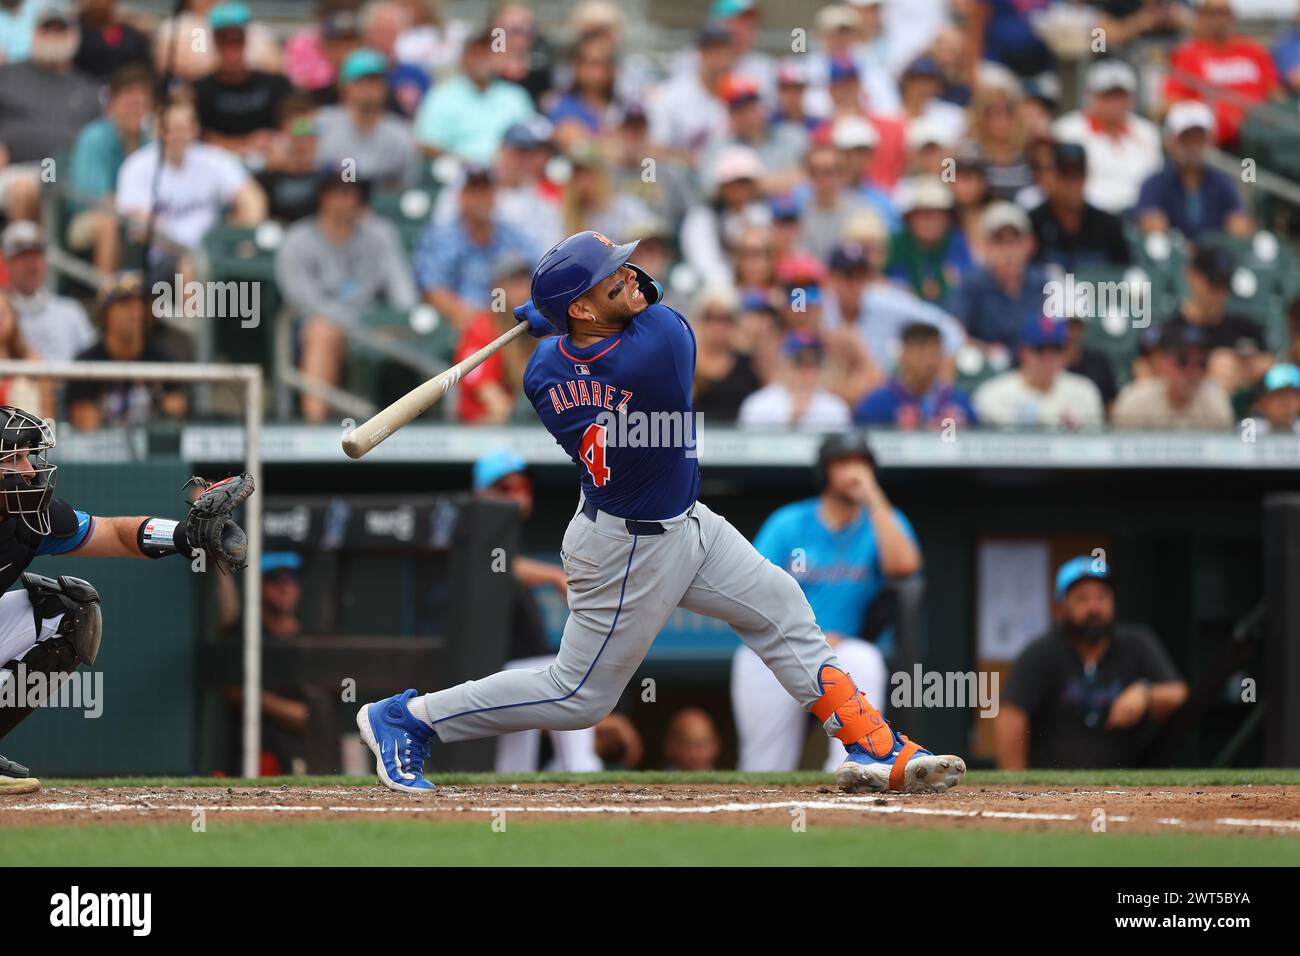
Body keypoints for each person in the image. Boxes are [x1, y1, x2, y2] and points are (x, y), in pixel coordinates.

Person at [355, 230, 966, 795]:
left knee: (780, 606)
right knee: (578, 697)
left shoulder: (543, 370)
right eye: (608, 275)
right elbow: (653, 294)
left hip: (679, 522)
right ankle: (407, 718)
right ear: (585, 311)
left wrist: (559, 311)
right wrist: (557, 309)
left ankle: (872, 747)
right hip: (628, 550)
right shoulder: (662, 349)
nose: (626, 273)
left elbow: (590, 331)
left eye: (618, 265)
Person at [0, 409, 252, 793]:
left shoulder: (31, 517)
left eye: (28, 455)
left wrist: (185, 535)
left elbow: (115, 533)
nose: (30, 470)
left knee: (69, 612)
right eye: (13, 459)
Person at [733, 431, 912, 772]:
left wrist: (874, 498)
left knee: (867, 659)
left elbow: (904, 566)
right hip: (777, 645)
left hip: (840, 650)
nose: (853, 472)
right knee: (764, 763)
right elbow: (748, 586)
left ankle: (856, 769)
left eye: (861, 463)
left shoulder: (881, 519)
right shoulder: (788, 522)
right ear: (825, 471)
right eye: (843, 463)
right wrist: (796, 632)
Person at [469, 450, 604, 774]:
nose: (516, 494)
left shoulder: (509, 536)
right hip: (499, 664)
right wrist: (554, 575)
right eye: (504, 487)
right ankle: (581, 774)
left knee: (513, 768)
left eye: (521, 486)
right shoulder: (473, 529)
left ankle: (517, 812)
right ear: (481, 494)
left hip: (516, 665)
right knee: (575, 679)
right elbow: (498, 565)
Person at [996, 556, 1188, 770]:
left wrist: (1145, 693)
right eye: (1082, 599)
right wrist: (1016, 782)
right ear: (1061, 607)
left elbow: (1178, 694)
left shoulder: (1137, 643)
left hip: (1125, 785)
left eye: (1102, 597)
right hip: (1053, 787)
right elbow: (1011, 714)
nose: (1094, 607)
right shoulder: (1042, 651)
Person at [276, 175, 417, 422]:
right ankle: (315, 425)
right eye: (338, 192)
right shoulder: (298, 239)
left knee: (420, 326)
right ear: (322, 196)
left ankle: (417, 425)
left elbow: (404, 295)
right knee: (322, 331)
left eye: (353, 193)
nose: (347, 201)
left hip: (374, 326)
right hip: (322, 328)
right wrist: (357, 325)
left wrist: (398, 320)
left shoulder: (380, 234)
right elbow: (303, 302)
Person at [115, 98, 267, 256]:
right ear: (156, 130)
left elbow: (252, 198)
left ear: (194, 129)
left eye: (182, 128)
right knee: (188, 266)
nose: (176, 135)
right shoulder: (137, 165)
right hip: (163, 254)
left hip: (214, 249)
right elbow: (138, 226)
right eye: (169, 129)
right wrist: (188, 252)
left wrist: (243, 239)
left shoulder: (215, 159)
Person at [0, 0, 102, 223]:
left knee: (41, 186)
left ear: (73, 35)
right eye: (48, 29)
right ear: (35, 33)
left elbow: (98, 139)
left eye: (60, 29)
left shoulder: (88, 89)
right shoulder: (7, 75)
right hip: (15, 169)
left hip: (68, 173)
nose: (53, 35)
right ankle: (26, 253)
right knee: (24, 188)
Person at [410, 165, 536, 331]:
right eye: (474, 191)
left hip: (506, 322)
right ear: (461, 196)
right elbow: (432, 289)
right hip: (456, 327)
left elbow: (532, 281)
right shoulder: (439, 237)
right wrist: (475, 320)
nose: (481, 198)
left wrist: (501, 316)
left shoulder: (513, 237)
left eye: (486, 191)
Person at [65, 271, 189, 431]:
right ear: (106, 314)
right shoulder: (86, 364)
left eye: (139, 304)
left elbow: (175, 417)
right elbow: (86, 426)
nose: (135, 312)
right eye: (125, 304)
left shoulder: (163, 360)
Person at [66, 63, 153, 273]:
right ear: (112, 105)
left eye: (140, 103)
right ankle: (109, 300)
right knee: (108, 221)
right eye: (128, 102)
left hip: (142, 218)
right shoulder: (95, 137)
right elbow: (95, 199)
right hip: (89, 219)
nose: (135, 109)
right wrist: (134, 210)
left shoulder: (150, 142)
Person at [1162, 0, 1278, 149]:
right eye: (1213, 13)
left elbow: (1276, 94)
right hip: (1214, 141)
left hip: (1258, 134)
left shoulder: (1253, 50)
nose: (1220, 19)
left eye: (1225, 13)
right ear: (1201, 18)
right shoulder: (1188, 54)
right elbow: (1169, 103)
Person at [1051, 60, 1162, 215]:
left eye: (1120, 96)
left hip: (1137, 215)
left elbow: (1155, 182)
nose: (1115, 104)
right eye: (1107, 96)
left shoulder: (1147, 132)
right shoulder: (1068, 130)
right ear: (1091, 97)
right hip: (1086, 214)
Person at [412, 27, 534, 164]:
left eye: (487, 53)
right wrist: (464, 164)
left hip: (510, 173)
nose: (482, 60)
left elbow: (531, 137)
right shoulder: (441, 95)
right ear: (464, 58)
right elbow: (426, 143)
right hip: (457, 174)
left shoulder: (515, 96)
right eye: (476, 53)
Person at [1135, 101, 1251, 241]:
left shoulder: (1223, 182)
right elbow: (1150, 224)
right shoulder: (1154, 184)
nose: (1193, 147)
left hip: (1214, 258)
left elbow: (1239, 223)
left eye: (1199, 139)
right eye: (1186, 139)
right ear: (1171, 141)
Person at [193, 2, 292, 157]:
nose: (231, 48)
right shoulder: (200, 88)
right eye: (224, 40)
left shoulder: (276, 84)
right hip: (218, 165)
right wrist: (245, 144)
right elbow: (200, 137)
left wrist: (274, 140)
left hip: (269, 162)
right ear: (214, 42)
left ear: (246, 41)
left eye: (237, 40)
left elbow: (293, 125)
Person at [972, 316, 1105, 429]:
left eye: (1056, 350)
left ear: (1065, 353)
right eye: (1040, 350)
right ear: (1023, 353)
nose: (1048, 359)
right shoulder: (993, 394)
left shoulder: (1084, 392)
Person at [955, 201, 1052, 355]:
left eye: (1014, 242)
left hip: (1036, 364)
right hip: (987, 369)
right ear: (986, 246)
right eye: (999, 242)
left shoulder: (1043, 282)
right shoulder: (971, 285)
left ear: (1029, 244)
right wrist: (986, 351)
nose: (1008, 251)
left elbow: (1056, 332)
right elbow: (955, 333)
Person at [314, 48, 418, 191]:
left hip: (382, 208)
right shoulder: (321, 123)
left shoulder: (401, 133)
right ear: (345, 86)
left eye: (375, 82)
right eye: (361, 82)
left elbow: (408, 186)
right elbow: (290, 140)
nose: (369, 89)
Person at [451, 258, 537, 424]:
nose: (524, 292)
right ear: (498, 290)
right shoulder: (482, 326)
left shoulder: (535, 326)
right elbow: (491, 397)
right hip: (481, 428)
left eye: (526, 284)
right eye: (515, 285)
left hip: (521, 428)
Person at [1, 221, 96, 364]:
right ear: (7, 263)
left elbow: (92, 362)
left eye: (36, 256)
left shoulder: (70, 311)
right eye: (22, 257)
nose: (31, 265)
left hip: (68, 385)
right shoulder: (3, 314)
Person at [1029, 142, 1130, 272]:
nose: (1073, 184)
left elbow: (1127, 274)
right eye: (1065, 175)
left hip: (1099, 291)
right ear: (1052, 177)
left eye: (1078, 175)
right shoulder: (1034, 222)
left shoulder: (1108, 224)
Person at [1112, 321, 1235, 429]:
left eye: (1202, 364)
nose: (1193, 372)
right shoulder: (1136, 401)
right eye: (1183, 362)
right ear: (1164, 363)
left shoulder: (1215, 403)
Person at [855, 322, 977, 428]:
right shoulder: (878, 403)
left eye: (934, 353)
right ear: (903, 356)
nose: (928, 361)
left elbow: (976, 440)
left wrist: (954, 434)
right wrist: (896, 433)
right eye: (920, 353)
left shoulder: (956, 401)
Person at [738, 332, 854, 429]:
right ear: (784, 363)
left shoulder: (835, 407)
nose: (807, 370)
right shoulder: (758, 404)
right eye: (800, 361)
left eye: (815, 362)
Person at [1247, 362, 1300, 434]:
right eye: (1279, 396)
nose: (1287, 403)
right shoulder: (1248, 432)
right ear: (1262, 402)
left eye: (1294, 395)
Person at [662, 707, 721, 772]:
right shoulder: (657, 781)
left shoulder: (726, 780)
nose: (697, 755)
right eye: (688, 745)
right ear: (670, 746)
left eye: (703, 744)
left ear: (716, 744)